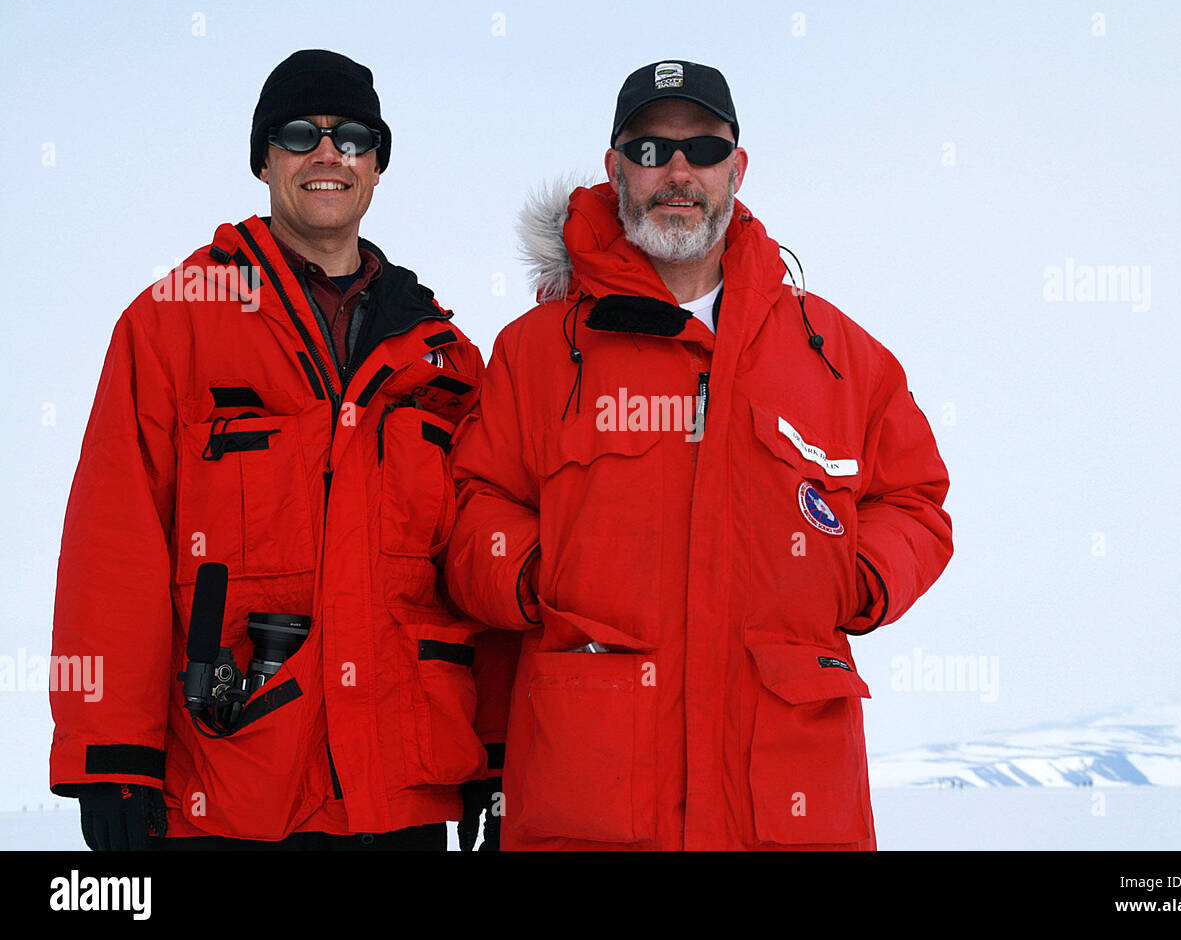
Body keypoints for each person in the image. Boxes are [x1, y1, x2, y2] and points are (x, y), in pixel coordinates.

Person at [445, 60, 954, 850]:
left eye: (703, 151)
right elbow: (474, 506)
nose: (677, 173)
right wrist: (533, 575)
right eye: (650, 151)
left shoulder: (838, 355)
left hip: (788, 801)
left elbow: (915, 498)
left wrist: (861, 579)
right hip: (589, 801)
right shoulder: (538, 352)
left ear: (737, 170)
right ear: (617, 170)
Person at [50, 49, 508, 850]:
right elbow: (110, 542)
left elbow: (477, 563)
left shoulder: (446, 358)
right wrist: (110, 756)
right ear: (264, 158)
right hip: (230, 785)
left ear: (377, 166)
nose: (328, 153)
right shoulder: (173, 325)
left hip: (401, 794)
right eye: (300, 134)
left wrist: (499, 758)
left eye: (354, 138)